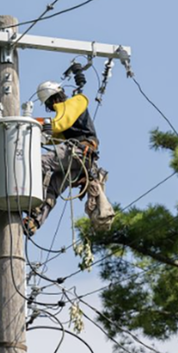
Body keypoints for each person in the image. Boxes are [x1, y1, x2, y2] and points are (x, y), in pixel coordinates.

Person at [23, 80, 114, 236]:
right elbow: (52, 135)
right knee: (52, 189)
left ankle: (29, 198)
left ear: (55, 96)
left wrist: (30, 122)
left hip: (79, 152)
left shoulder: (76, 101)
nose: (52, 106)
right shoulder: (65, 116)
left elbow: (59, 124)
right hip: (77, 163)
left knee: (38, 163)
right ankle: (35, 221)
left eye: (51, 102)